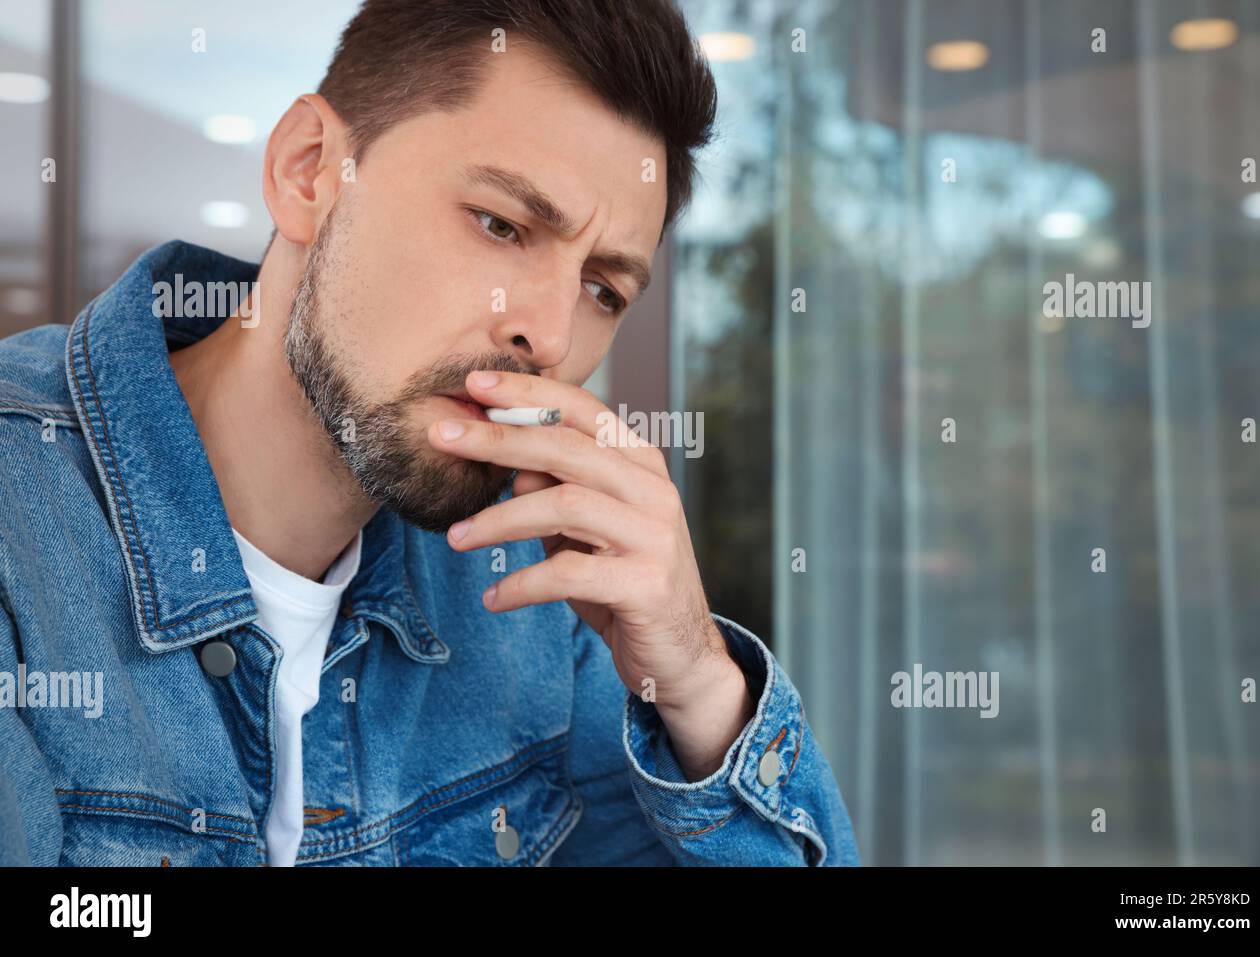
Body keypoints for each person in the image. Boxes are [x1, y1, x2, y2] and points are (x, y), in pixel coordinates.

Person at [0, 0, 859, 866]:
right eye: (502, 225)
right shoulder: (17, 523)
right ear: (309, 171)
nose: (551, 338)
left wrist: (700, 686)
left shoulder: (527, 576)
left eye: (602, 288)